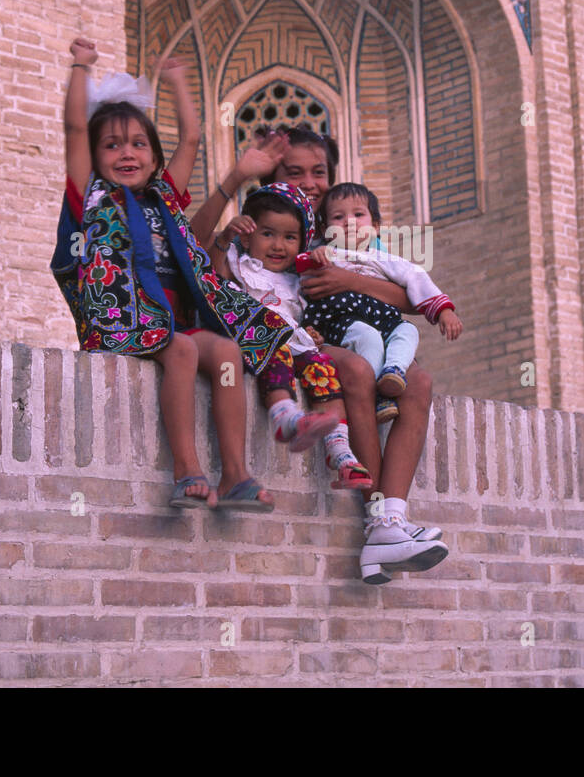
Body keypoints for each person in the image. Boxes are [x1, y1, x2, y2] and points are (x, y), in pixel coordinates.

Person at [191, 124, 447, 583]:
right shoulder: (266, 235)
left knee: (421, 381)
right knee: (352, 367)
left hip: (362, 331)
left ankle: (392, 517)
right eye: (295, 172)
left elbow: (407, 296)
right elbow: (205, 258)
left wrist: (351, 281)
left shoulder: (346, 230)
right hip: (313, 338)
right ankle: (377, 520)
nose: (309, 182)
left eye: (319, 171)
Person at [51, 37, 295, 512]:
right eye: (113, 145)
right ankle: (187, 471)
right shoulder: (92, 197)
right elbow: (74, 127)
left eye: (139, 144)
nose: (128, 153)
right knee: (182, 349)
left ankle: (236, 475)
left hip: (169, 319)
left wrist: (180, 82)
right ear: (97, 156)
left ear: (153, 156)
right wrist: (81, 67)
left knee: (225, 350)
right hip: (121, 318)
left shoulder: (163, 198)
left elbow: (191, 140)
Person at [208, 183, 371, 490]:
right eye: (267, 234)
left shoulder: (297, 280)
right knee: (278, 349)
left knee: (322, 366)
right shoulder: (241, 264)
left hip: (294, 341)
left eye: (289, 237)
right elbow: (214, 276)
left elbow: (303, 316)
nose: (278, 245)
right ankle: (284, 415)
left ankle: (342, 454)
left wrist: (311, 332)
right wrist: (224, 238)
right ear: (248, 235)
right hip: (258, 339)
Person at [305, 181, 464, 423]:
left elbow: (415, 276)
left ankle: (393, 372)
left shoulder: (384, 259)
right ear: (325, 229)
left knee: (408, 330)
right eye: (339, 217)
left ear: (376, 226)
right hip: (344, 322)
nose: (349, 222)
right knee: (368, 338)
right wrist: (315, 258)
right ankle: (376, 396)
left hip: (384, 321)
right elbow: (304, 276)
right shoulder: (328, 255)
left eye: (359, 215)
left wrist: (444, 311)